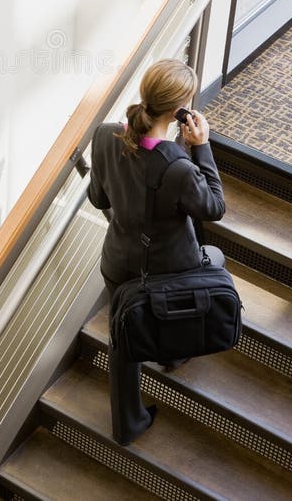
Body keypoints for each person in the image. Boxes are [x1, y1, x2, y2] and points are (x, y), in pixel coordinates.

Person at [87, 58, 226, 445]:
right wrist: (202, 147)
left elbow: (98, 197)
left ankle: (127, 422)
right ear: (181, 107)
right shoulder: (179, 167)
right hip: (169, 268)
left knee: (122, 332)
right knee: (215, 259)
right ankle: (174, 351)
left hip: (118, 262)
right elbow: (214, 207)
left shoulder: (104, 136)